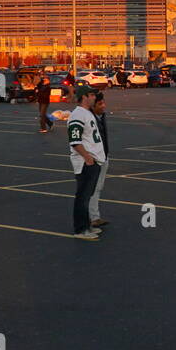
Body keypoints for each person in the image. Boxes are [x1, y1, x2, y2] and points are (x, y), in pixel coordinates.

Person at [67, 86, 104, 240]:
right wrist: (87, 158)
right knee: (82, 197)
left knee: (87, 196)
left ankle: (86, 226)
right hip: (86, 162)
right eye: (91, 95)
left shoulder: (86, 113)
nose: (94, 97)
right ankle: (80, 229)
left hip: (93, 160)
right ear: (84, 97)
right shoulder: (77, 115)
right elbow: (74, 140)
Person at [87, 91, 111, 230]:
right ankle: (90, 218)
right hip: (94, 158)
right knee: (92, 189)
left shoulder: (101, 116)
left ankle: (95, 217)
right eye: (100, 104)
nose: (103, 106)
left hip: (103, 156)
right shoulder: (89, 118)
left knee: (98, 187)